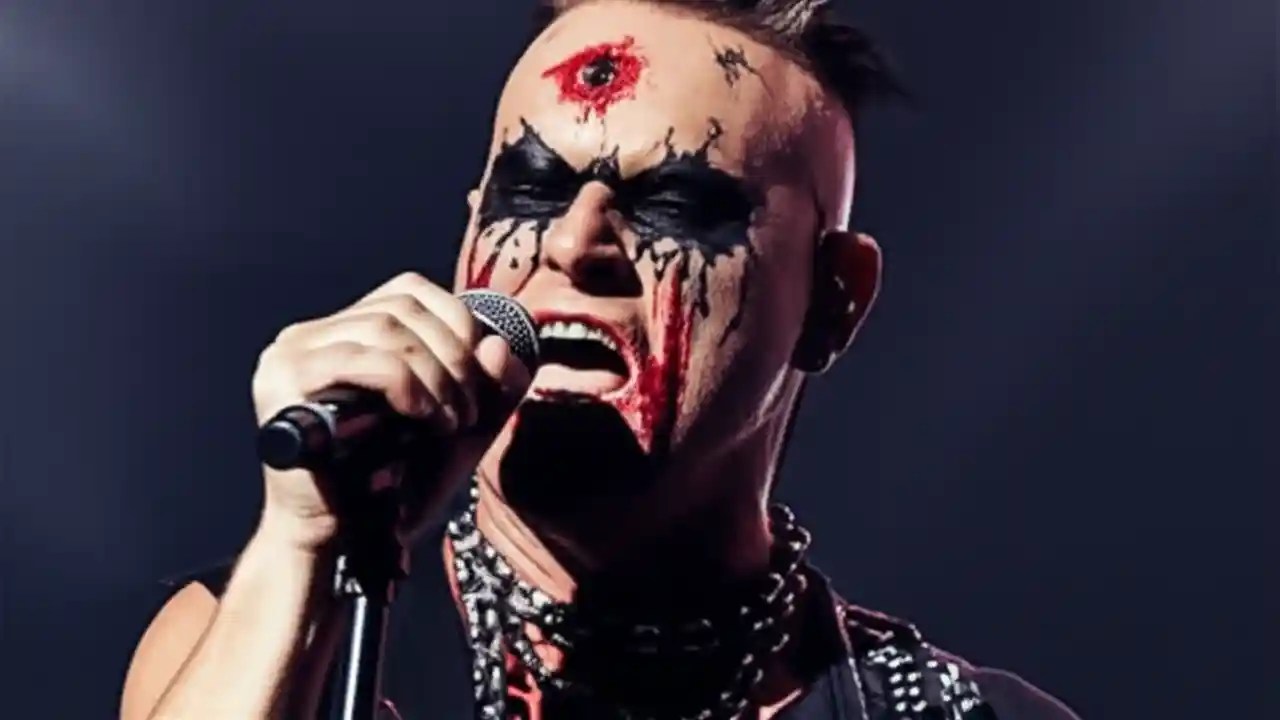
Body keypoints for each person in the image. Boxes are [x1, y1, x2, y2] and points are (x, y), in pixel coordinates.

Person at [122, 1, 1083, 718]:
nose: (572, 244)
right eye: (533, 193)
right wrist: (304, 553)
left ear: (833, 300)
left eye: (673, 205)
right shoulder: (267, 644)